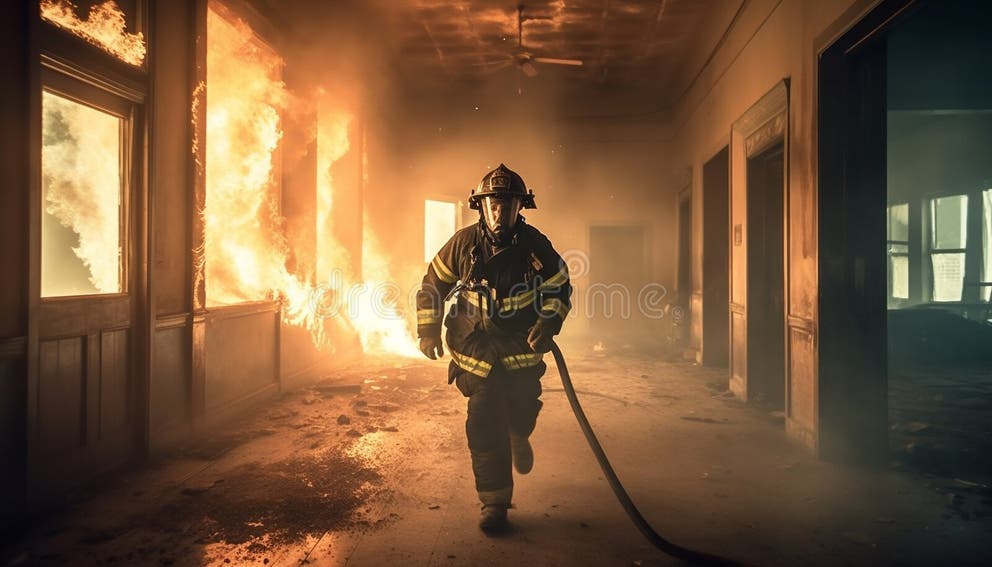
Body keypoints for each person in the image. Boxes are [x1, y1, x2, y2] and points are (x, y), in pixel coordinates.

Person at [416, 163, 571, 533]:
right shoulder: (463, 245)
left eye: (508, 204)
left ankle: (519, 434)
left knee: (522, 408)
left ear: (521, 206)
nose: (500, 213)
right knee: (484, 419)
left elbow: (560, 287)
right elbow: (433, 283)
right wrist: (428, 330)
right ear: (481, 206)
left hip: (520, 348)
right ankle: (495, 503)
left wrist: (548, 321)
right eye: (493, 205)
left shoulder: (536, 246)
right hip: (476, 349)